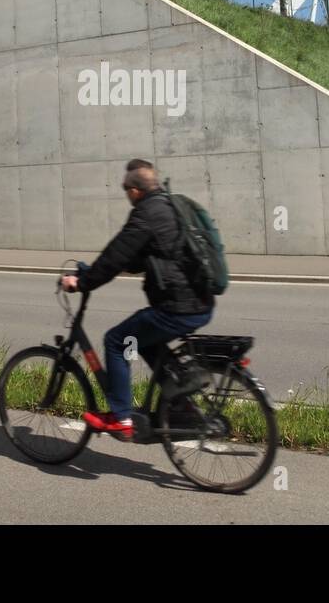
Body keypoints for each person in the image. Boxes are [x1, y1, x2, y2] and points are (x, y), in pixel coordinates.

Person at [61, 159, 214, 438]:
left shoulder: (145, 214)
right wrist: (92, 272)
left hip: (178, 307)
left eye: (126, 190)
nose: (127, 196)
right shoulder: (169, 206)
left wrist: (82, 283)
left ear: (135, 190)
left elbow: (116, 254)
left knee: (116, 341)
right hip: (199, 303)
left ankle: (121, 418)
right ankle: (183, 407)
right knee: (145, 342)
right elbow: (134, 259)